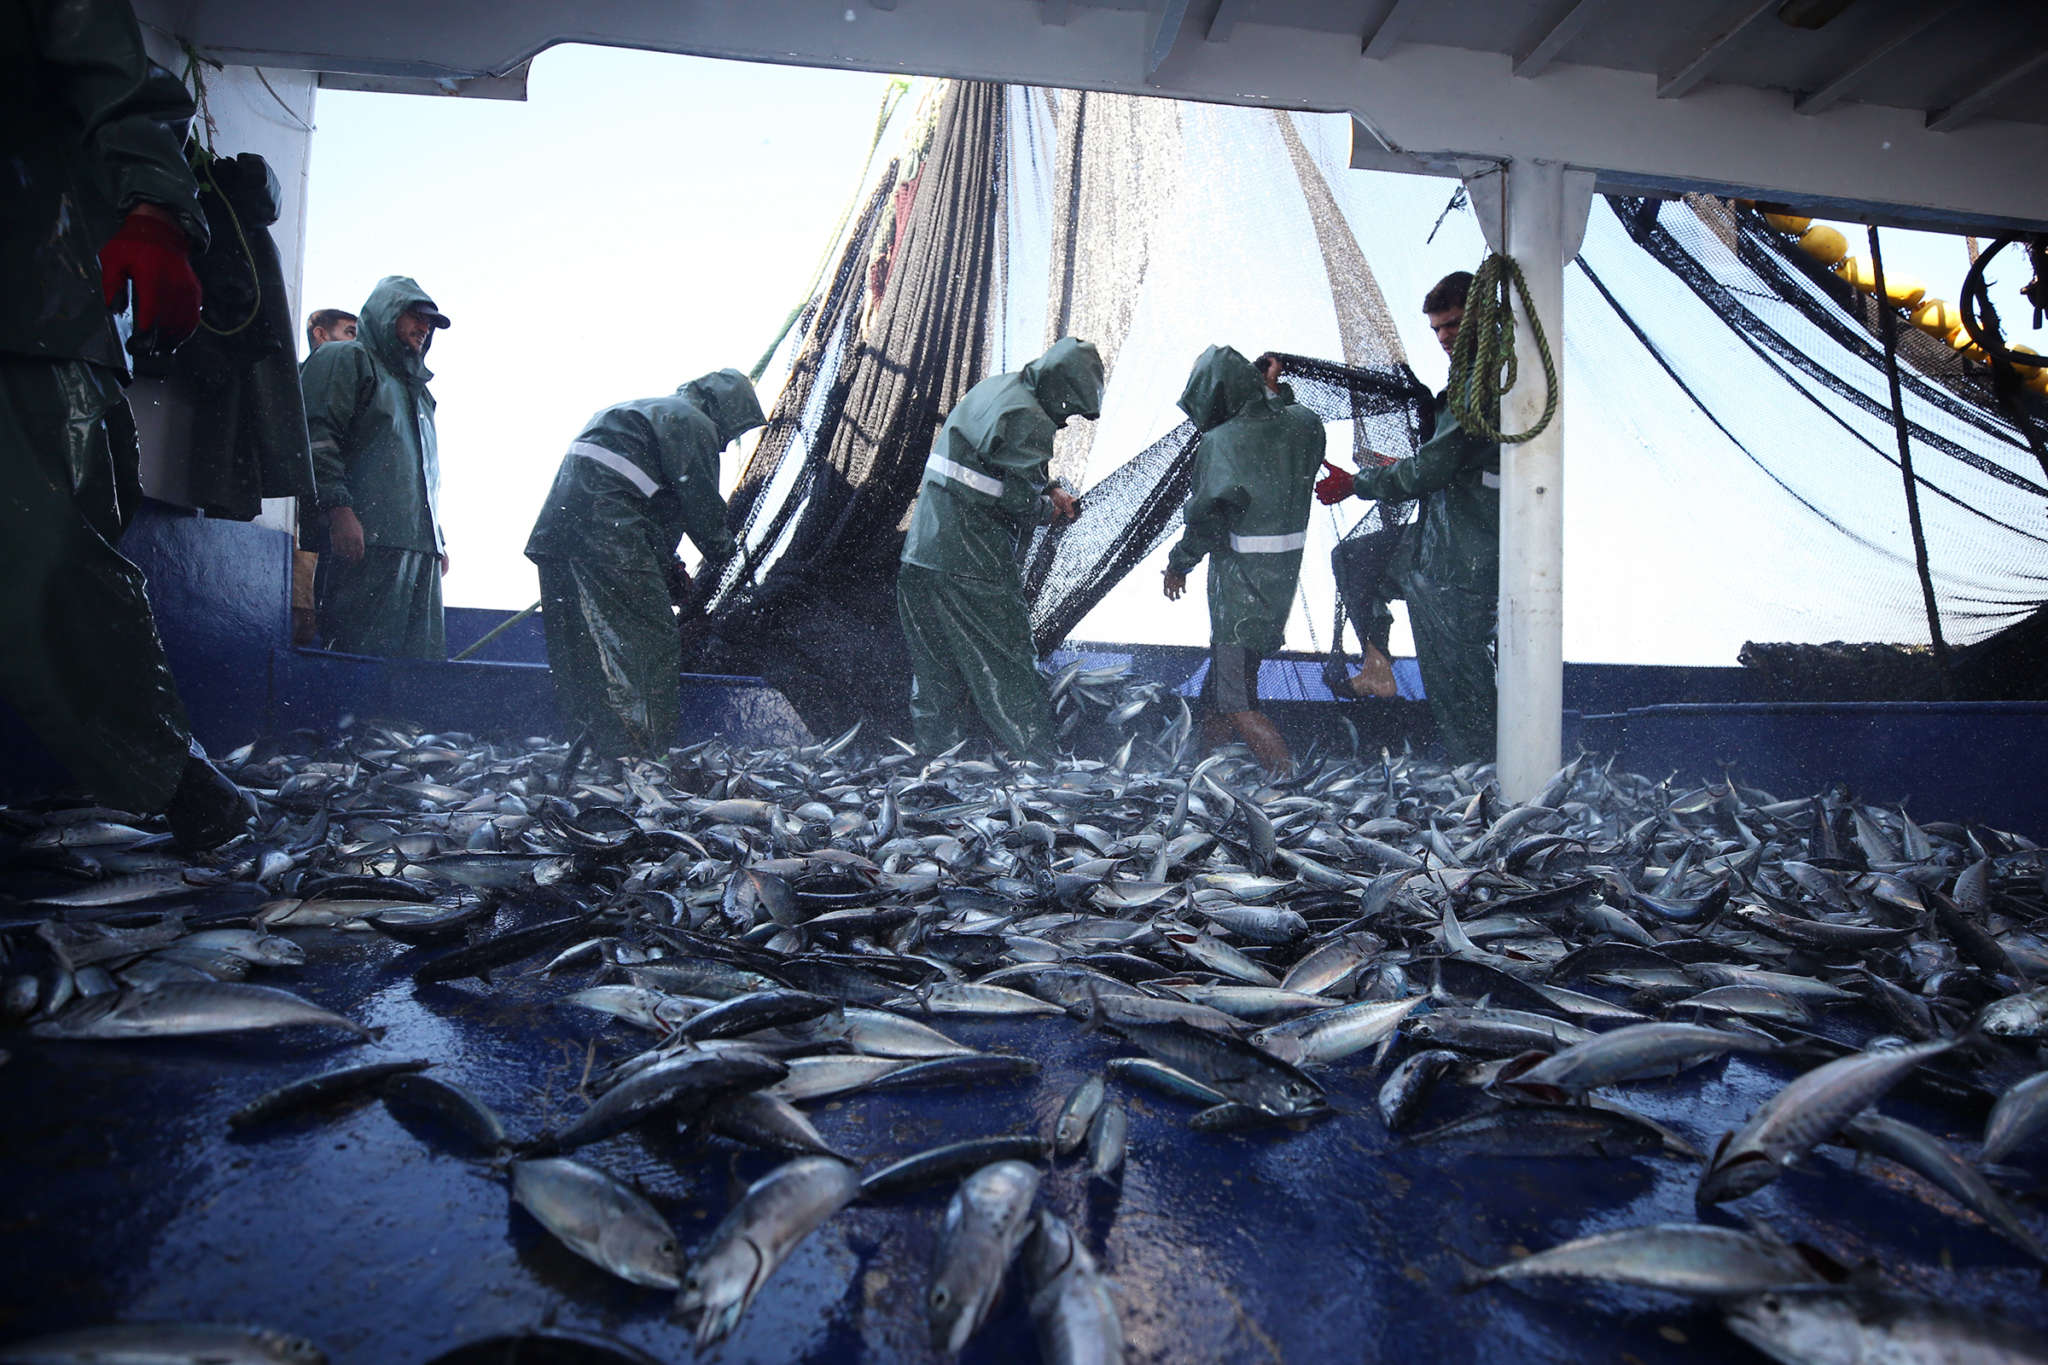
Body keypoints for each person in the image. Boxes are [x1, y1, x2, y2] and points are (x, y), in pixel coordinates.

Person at [0, 0, 252, 848]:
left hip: (29, 299)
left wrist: (156, 207)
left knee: (44, 548)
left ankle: (172, 779)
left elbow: (112, 69)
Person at [524, 370, 766, 756]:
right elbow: (700, 509)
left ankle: (594, 749)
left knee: (580, 647)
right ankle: (648, 757)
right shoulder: (695, 422)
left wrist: (669, 569)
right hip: (609, 534)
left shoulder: (647, 411)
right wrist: (726, 551)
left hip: (556, 535)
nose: (727, 443)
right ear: (728, 411)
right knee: (650, 640)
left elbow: (648, 505)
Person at [1316, 270, 1500, 765]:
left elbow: (1437, 465)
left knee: (1460, 675)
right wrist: (1396, 470)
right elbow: (1446, 461)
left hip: (1468, 554)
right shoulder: (1464, 376)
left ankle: (1484, 776)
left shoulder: (1483, 379)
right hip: (1439, 536)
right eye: (1437, 329)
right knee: (1356, 558)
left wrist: (1358, 484)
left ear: (1484, 316)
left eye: (1455, 324)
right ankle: (1377, 666)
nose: (1444, 337)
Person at [896, 336, 1102, 758]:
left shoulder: (999, 389)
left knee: (935, 675)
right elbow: (1015, 497)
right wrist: (1049, 510)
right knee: (1009, 669)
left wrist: (1052, 486)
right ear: (1064, 394)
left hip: (921, 556)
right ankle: (1040, 769)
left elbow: (994, 463)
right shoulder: (1031, 417)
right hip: (971, 563)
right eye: (1072, 409)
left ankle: (937, 770)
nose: (1066, 421)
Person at [1161, 345, 1325, 778]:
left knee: (1237, 701)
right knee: (1220, 690)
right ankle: (1199, 777)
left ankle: (1290, 787)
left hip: (1239, 591)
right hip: (1278, 583)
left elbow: (1206, 522)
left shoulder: (1221, 441)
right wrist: (1271, 392)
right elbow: (1288, 421)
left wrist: (1179, 564)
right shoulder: (1305, 425)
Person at [301, 276, 451, 658]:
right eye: (415, 316)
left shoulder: (418, 391)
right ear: (387, 314)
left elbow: (418, 471)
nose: (424, 327)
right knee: (362, 660)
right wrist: (339, 511)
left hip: (419, 550)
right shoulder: (346, 358)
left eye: (430, 322)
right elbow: (318, 436)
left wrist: (438, 539)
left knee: (421, 669)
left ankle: (405, 723)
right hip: (366, 544)